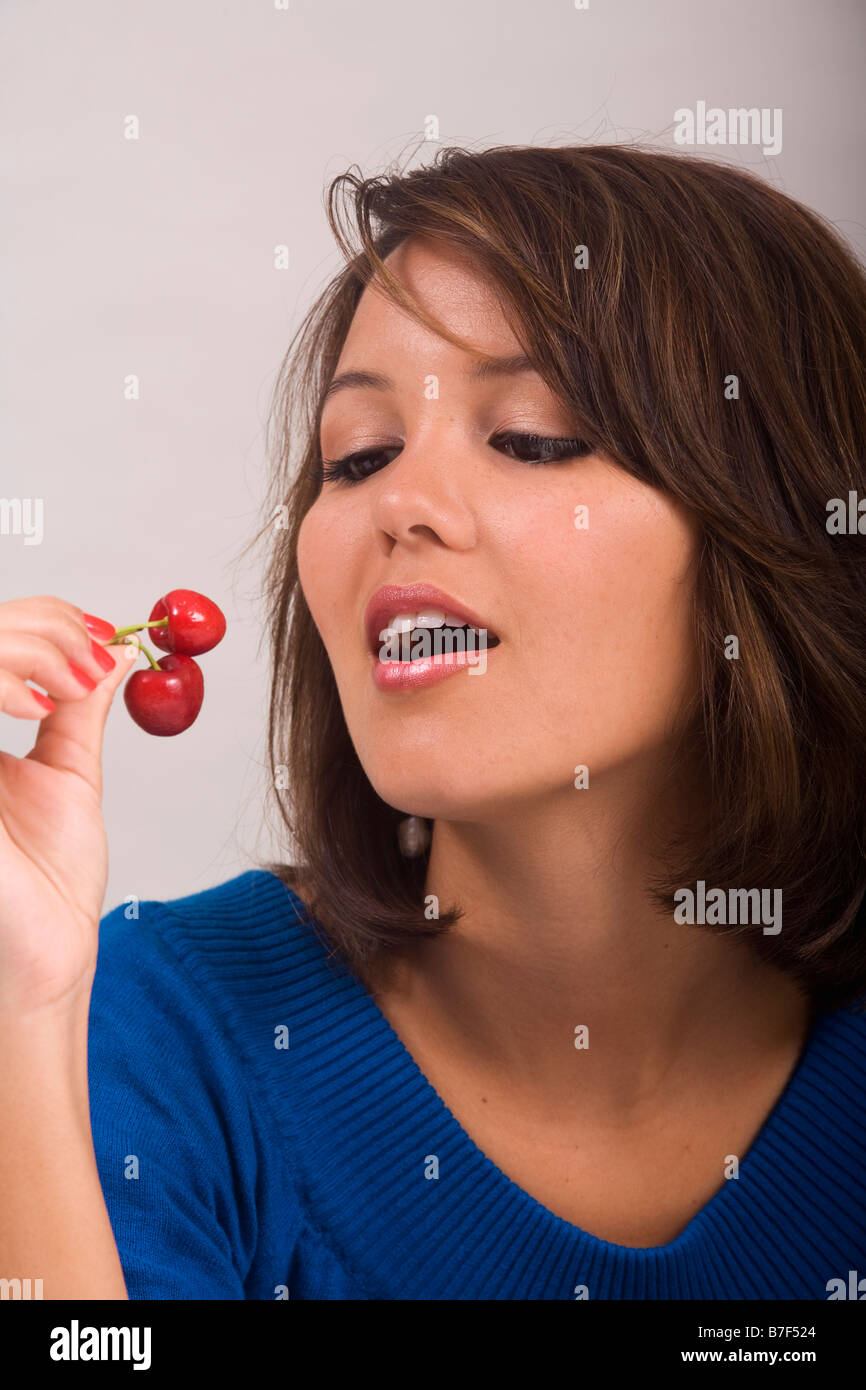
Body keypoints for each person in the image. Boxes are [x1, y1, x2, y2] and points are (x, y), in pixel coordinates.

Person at [1, 144, 864, 1300]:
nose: (395, 504)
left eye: (532, 439)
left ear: (775, 522)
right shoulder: (151, 1032)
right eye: (355, 458)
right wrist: (24, 1013)